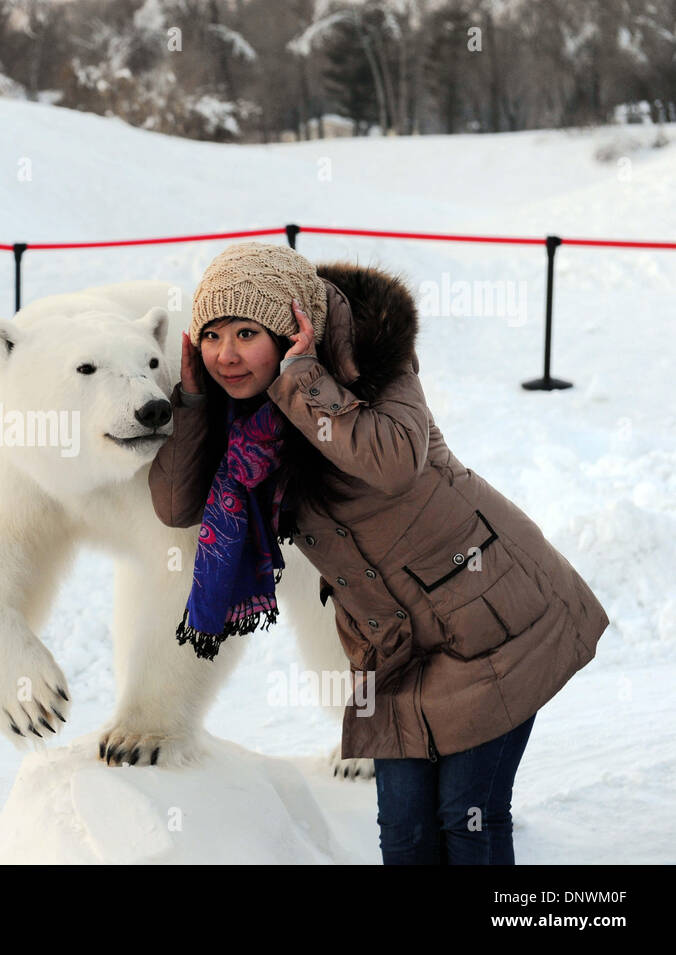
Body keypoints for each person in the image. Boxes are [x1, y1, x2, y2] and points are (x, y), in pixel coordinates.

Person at [148, 241, 609, 865]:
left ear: (292, 330)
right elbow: (178, 505)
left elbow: (391, 461)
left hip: (492, 619)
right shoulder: (240, 418)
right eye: (211, 335)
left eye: (246, 332)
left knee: (466, 823)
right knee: (405, 834)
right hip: (389, 647)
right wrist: (196, 403)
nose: (225, 354)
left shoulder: (374, 360)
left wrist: (301, 377)